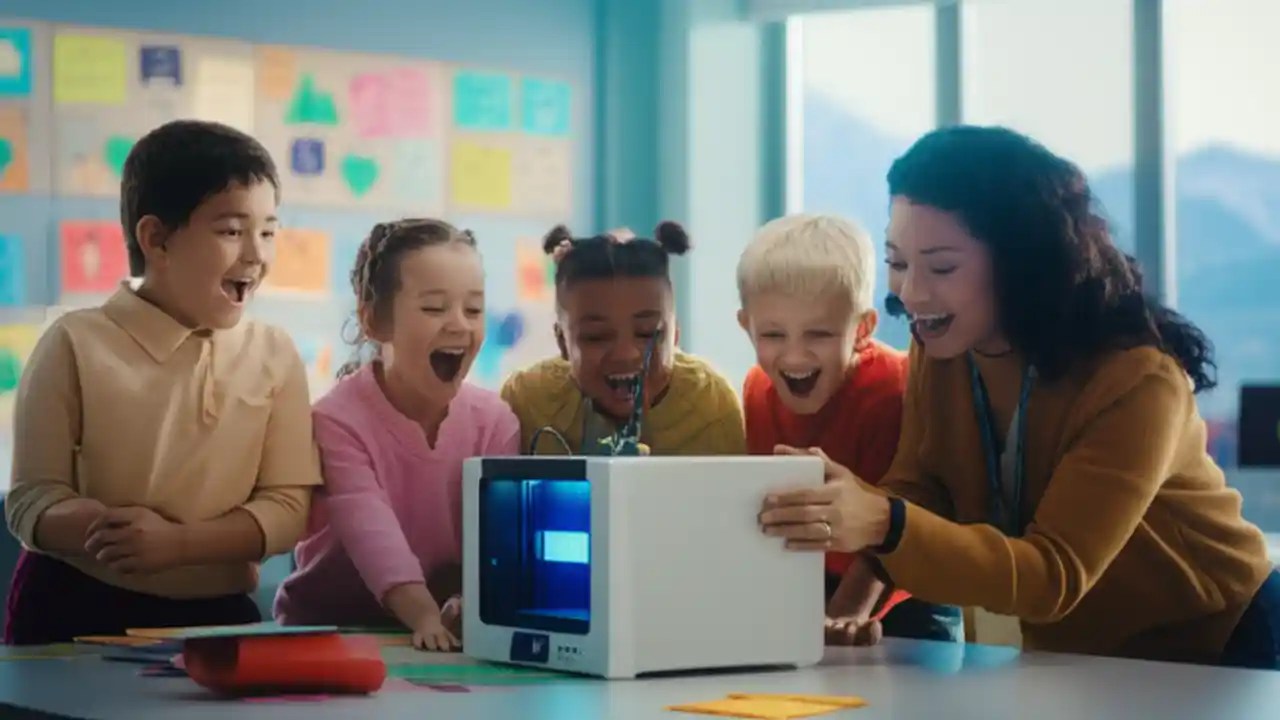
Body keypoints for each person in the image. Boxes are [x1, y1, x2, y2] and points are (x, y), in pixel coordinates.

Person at [758, 125, 1280, 669]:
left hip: (1225, 642)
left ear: (1019, 262)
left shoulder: (1138, 381)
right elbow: (921, 490)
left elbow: (1053, 575)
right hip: (1082, 656)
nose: (911, 293)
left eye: (942, 267)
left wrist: (881, 520)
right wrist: (844, 612)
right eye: (898, 263)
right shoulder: (944, 348)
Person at [4, 120, 320, 644]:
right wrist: (107, 531)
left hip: (219, 619)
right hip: (73, 607)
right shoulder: (73, 342)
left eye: (268, 232)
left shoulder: (276, 354)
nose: (257, 254)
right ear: (156, 239)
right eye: (231, 231)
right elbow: (30, 500)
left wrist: (178, 545)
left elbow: (287, 509)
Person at [274, 219, 519, 651]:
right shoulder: (337, 419)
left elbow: (498, 542)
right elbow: (372, 531)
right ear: (374, 321)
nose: (459, 325)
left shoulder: (496, 422)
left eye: (474, 310)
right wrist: (423, 615)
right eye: (434, 308)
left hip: (440, 634)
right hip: (327, 629)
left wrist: (469, 604)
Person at [737, 213, 959, 643]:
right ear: (746, 325)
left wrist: (845, 613)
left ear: (862, 329)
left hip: (906, 593)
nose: (795, 356)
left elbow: (902, 516)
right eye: (774, 335)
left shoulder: (894, 390)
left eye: (818, 334)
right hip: (813, 581)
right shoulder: (754, 392)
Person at [502, 222, 745, 456]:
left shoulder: (711, 408)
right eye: (596, 336)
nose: (625, 354)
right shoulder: (527, 403)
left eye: (647, 332)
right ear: (563, 342)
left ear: (675, 335)